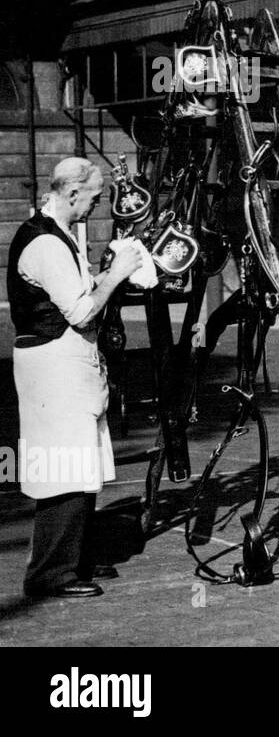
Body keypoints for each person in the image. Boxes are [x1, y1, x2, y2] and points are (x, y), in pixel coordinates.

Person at [8, 157, 144, 598]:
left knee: (81, 463)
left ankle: (75, 558)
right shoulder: (45, 243)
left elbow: (81, 291)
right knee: (64, 467)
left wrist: (110, 273)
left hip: (64, 362)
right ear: (71, 193)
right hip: (53, 365)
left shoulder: (57, 234)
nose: (99, 203)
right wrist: (118, 275)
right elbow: (83, 310)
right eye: (95, 196)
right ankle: (50, 573)